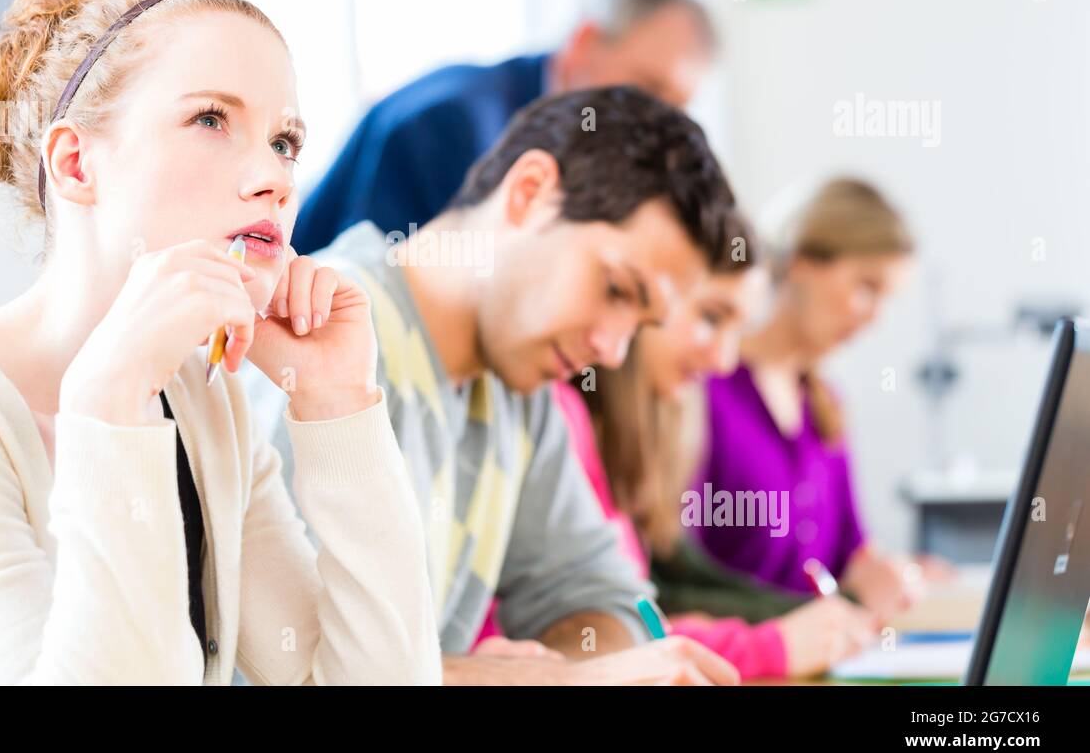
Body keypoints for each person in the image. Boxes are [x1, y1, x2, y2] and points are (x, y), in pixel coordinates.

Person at [0, 0, 441, 685]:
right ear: (75, 164)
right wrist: (111, 401)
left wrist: (336, 401)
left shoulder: (204, 404)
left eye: (285, 142)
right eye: (211, 120)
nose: (276, 178)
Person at [249, 85, 744, 685]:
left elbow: (613, 602)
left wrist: (552, 670)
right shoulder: (317, 332)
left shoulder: (520, 390)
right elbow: (276, 667)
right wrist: (538, 681)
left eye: (639, 326)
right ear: (529, 192)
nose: (612, 351)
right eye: (616, 289)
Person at [556, 214, 881, 679]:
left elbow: (656, 590)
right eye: (710, 317)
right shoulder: (570, 420)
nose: (724, 359)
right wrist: (775, 640)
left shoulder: (661, 425)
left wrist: (820, 617)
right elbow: (635, 620)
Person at [291, 0, 716, 253]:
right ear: (585, 42)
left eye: (673, 109)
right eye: (647, 88)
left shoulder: (573, 145)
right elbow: (369, 297)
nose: (655, 121)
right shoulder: (454, 125)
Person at [693, 177, 941, 619]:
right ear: (801, 261)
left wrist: (895, 575)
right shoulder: (705, 391)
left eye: (886, 299)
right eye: (867, 287)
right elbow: (679, 578)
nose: (874, 318)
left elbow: (851, 556)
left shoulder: (824, 406)